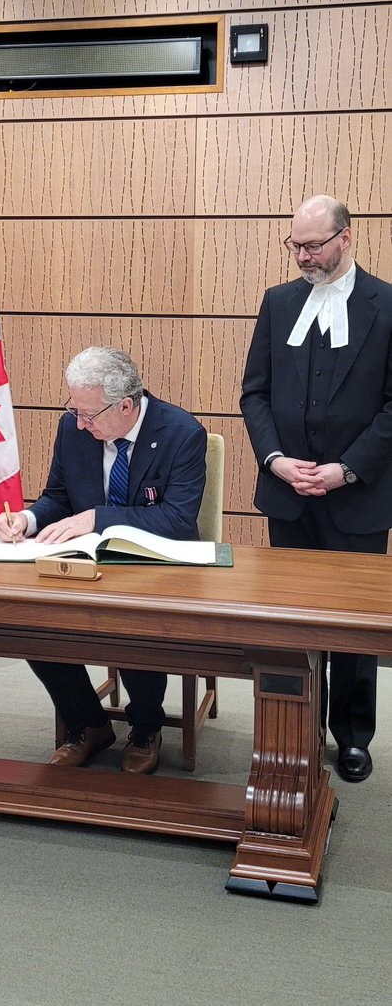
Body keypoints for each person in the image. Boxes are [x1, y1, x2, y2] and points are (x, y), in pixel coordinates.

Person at [0, 346, 207, 774]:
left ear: (126, 406)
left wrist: (97, 518)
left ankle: (145, 726)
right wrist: (27, 519)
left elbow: (177, 519)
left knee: (132, 623)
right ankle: (88, 724)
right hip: (85, 562)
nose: (79, 422)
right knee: (31, 621)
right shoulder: (73, 427)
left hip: (153, 566)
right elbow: (59, 496)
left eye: (88, 414)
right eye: (74, 409)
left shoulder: (182, 433)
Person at [240, 194, 392, 782]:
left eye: (313, 246)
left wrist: (346, 468)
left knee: (352, 627)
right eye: (295, 246)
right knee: (292, 622)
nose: (303, 256)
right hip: (289, 493)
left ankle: (352, 735)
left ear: (346, 238)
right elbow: (254, 393)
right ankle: (298, 729)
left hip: (358, 494)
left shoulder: (387, 304)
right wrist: (276, 460)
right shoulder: (278, 302)